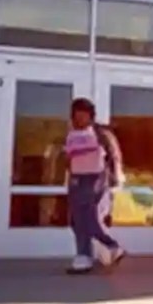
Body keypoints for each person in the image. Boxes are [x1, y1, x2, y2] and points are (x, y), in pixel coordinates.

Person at [64, 97, 126, 274]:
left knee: (88, 219)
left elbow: (114, 156)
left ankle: (111, 246)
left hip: (95, 179)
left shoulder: (100, 133)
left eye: (83, 115)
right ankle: (83, 256)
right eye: (76, 115)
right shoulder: (71, 133)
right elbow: (67, 158)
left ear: (91, 116)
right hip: (76, 178)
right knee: (76, 221)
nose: (80, 119)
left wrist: (115, 180)